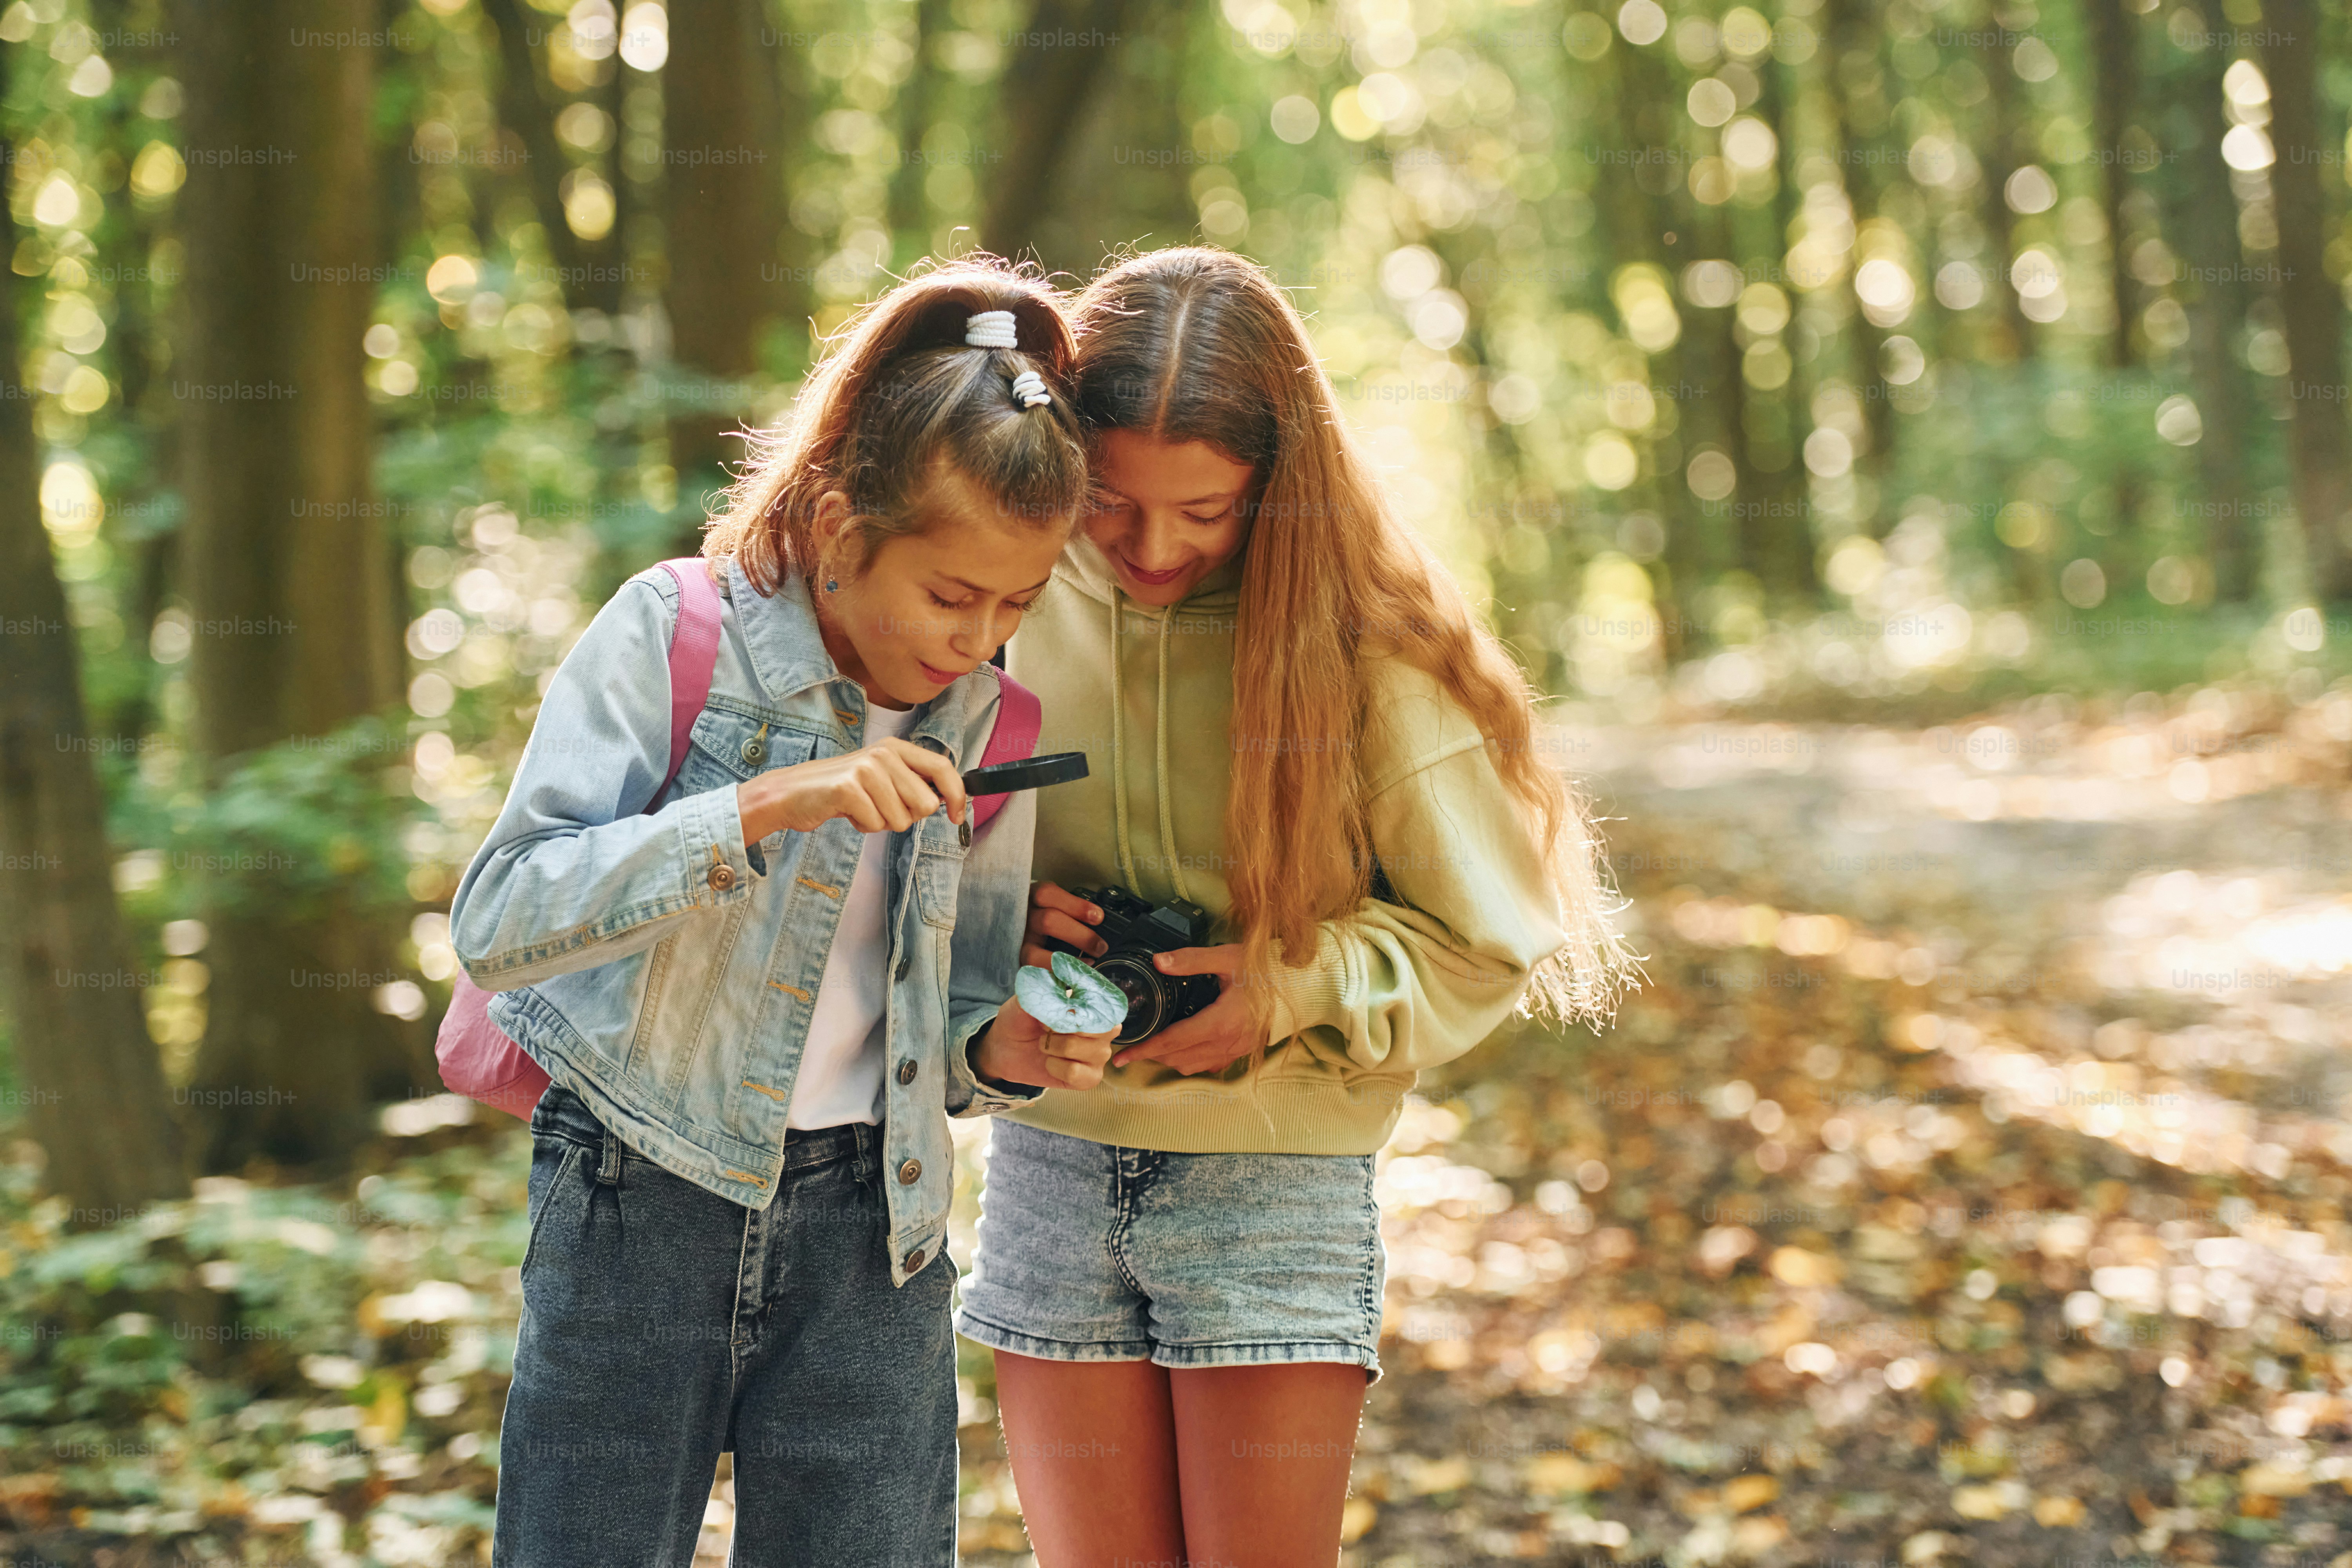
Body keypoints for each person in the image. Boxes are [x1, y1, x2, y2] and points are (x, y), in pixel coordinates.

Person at [952, 247, 1636, 1568]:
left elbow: (1486, 946)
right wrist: (1000, 919)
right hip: (1050, 1158)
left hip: (1277, 1171)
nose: (1152, 549)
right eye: (1112, 502)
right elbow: (881, 871)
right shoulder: (993, 603)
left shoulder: (1367, 645)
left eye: (1204, 510)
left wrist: (1295, 988)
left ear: (1278, 481)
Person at [451, 261, 1118, 1568]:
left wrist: (1006, 1054)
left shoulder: (995, 718)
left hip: (879, 1227)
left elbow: (960, 1006)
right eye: (949, 595)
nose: (981, 638)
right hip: (636, 1196)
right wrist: (761, 809)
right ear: (835, 522)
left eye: (1017, 604)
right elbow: (502, 914)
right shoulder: (673, 632)